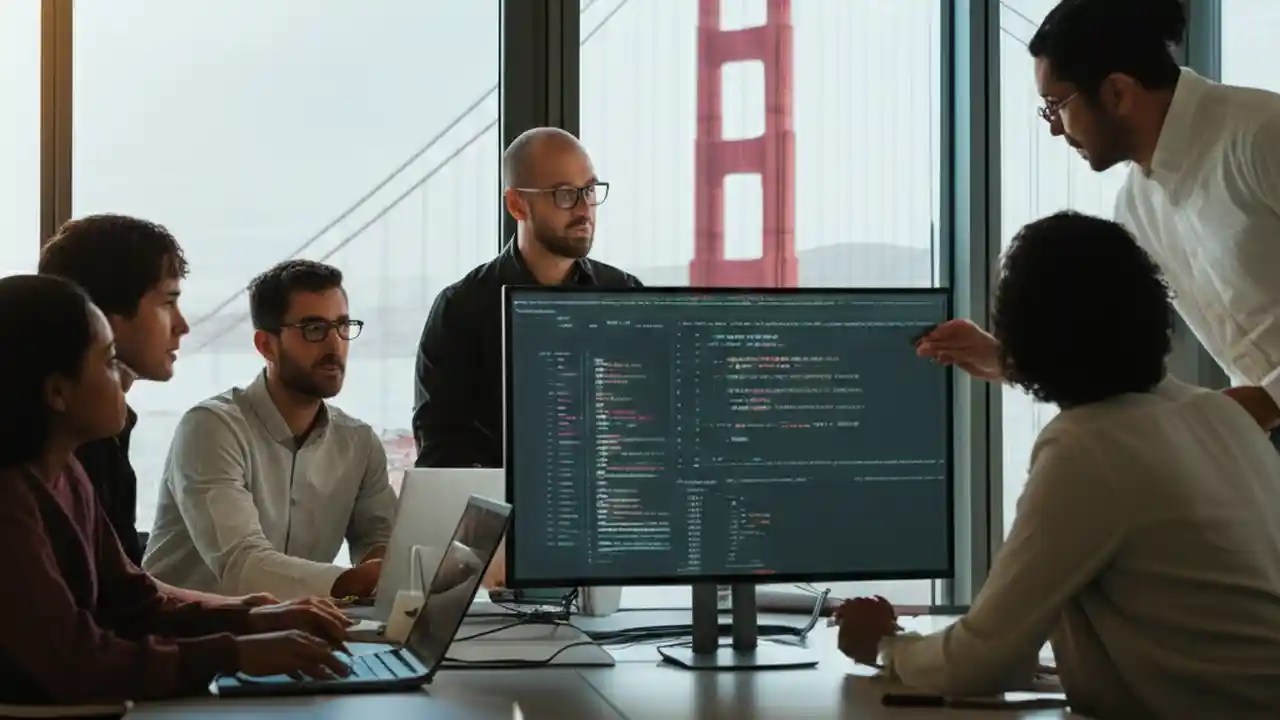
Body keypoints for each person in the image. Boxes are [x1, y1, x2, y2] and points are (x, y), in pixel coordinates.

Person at [837, 212, 1280, 718]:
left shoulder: (1087, 449)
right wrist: (1017, 363)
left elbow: (980, 663)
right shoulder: (1219, 415)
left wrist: (886, 644)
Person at [918, 0, 1280, 451]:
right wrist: (1010, 362)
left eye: (1056, 106)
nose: (1054, 129)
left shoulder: (1262, 133)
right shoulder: (1137, 205)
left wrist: (1270, 398)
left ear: (1117, 93)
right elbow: (1129, 358)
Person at [0, 274, 355, 704]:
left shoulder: (68, 474)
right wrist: (235, 652)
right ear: (57, 392)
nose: (123, 375)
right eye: (110, 361)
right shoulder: (11, 502)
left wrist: (253, 618)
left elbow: (135, 603)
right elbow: (78, 662)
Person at [39, 213, 283, 608]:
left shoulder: (99, 435)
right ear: (99, 315)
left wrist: (247, 615)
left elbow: (121, 588)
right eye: (168, 302)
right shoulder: (58, 455)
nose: (183, 326)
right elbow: (83, 638)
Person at [143, 260, 396, 601]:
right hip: (187, 639)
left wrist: (386, 564)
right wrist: (354, 581)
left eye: (341, 326)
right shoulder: (210, 428)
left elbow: (379, 541)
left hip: (290, 635)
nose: (334, 345)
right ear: (266, 345)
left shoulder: (359, 442)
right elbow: (241, 565)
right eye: (313, 329)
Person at [412, 126, 642, 468]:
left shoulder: (626, 296)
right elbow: (441, 453)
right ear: (517, 205)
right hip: (508, 516)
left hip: (613, 510)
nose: (584, 209)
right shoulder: (461, 310)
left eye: (590, 190)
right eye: (565, 194)